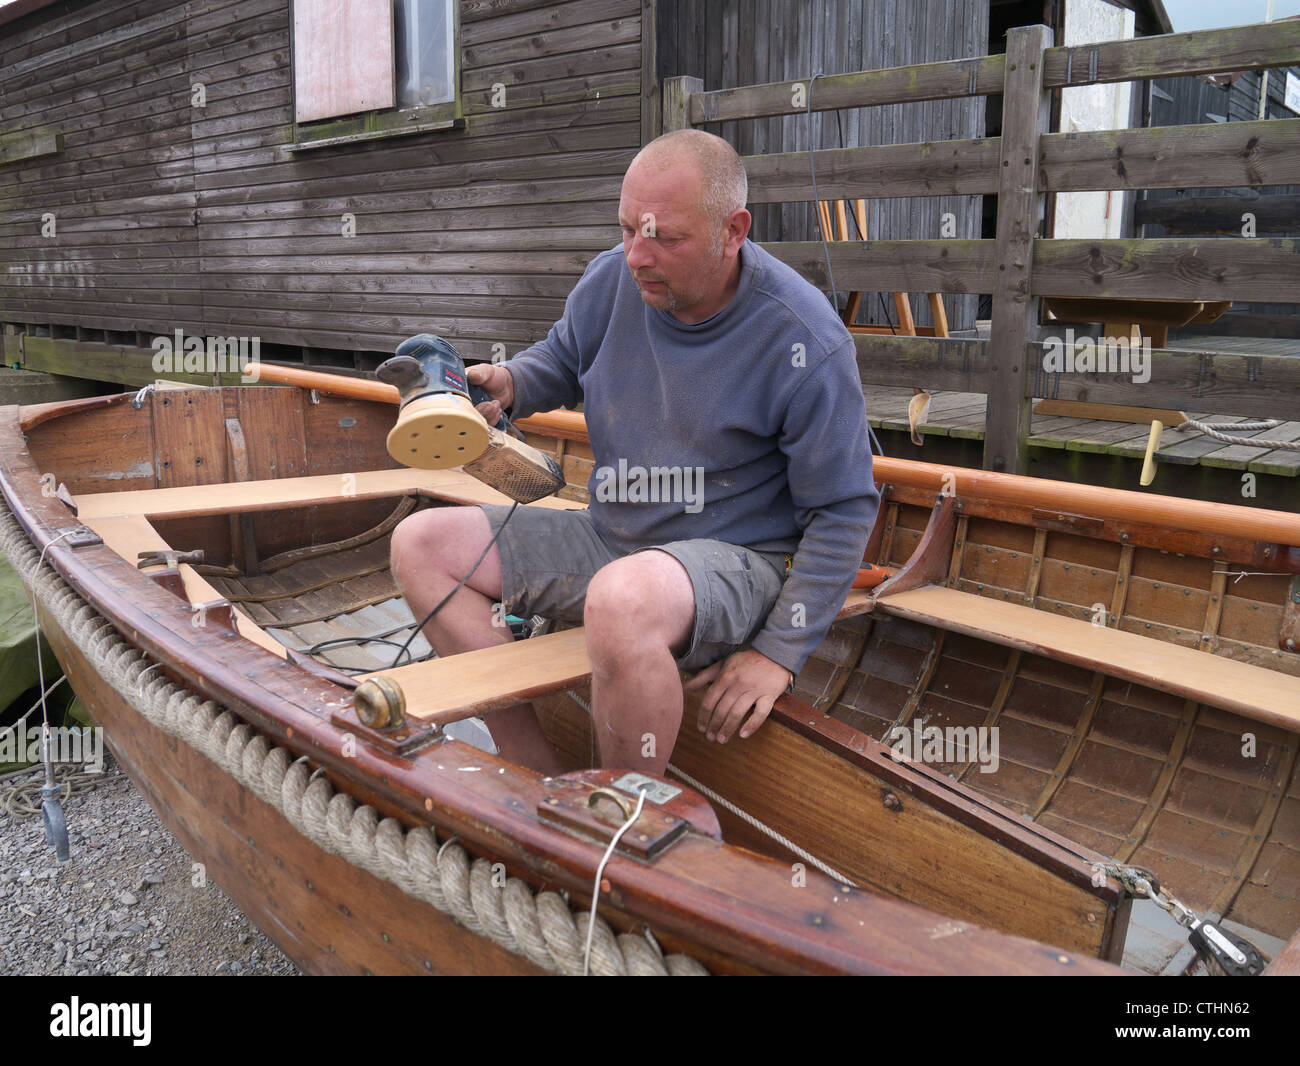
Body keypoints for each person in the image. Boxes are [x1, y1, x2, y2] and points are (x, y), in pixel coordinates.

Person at [390, 128, 878, 776]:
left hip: (741, 562)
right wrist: (512, 383)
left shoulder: (803, 338)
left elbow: (844, 511)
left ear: (733, 231)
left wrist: (779, 652)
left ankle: (623, 812)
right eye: (627, 229)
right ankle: (529, 770)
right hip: (614, 538)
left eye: (664, 238)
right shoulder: (614, 278)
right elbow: (563, 356)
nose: (637, 256)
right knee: (418, 546)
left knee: (621, 601)